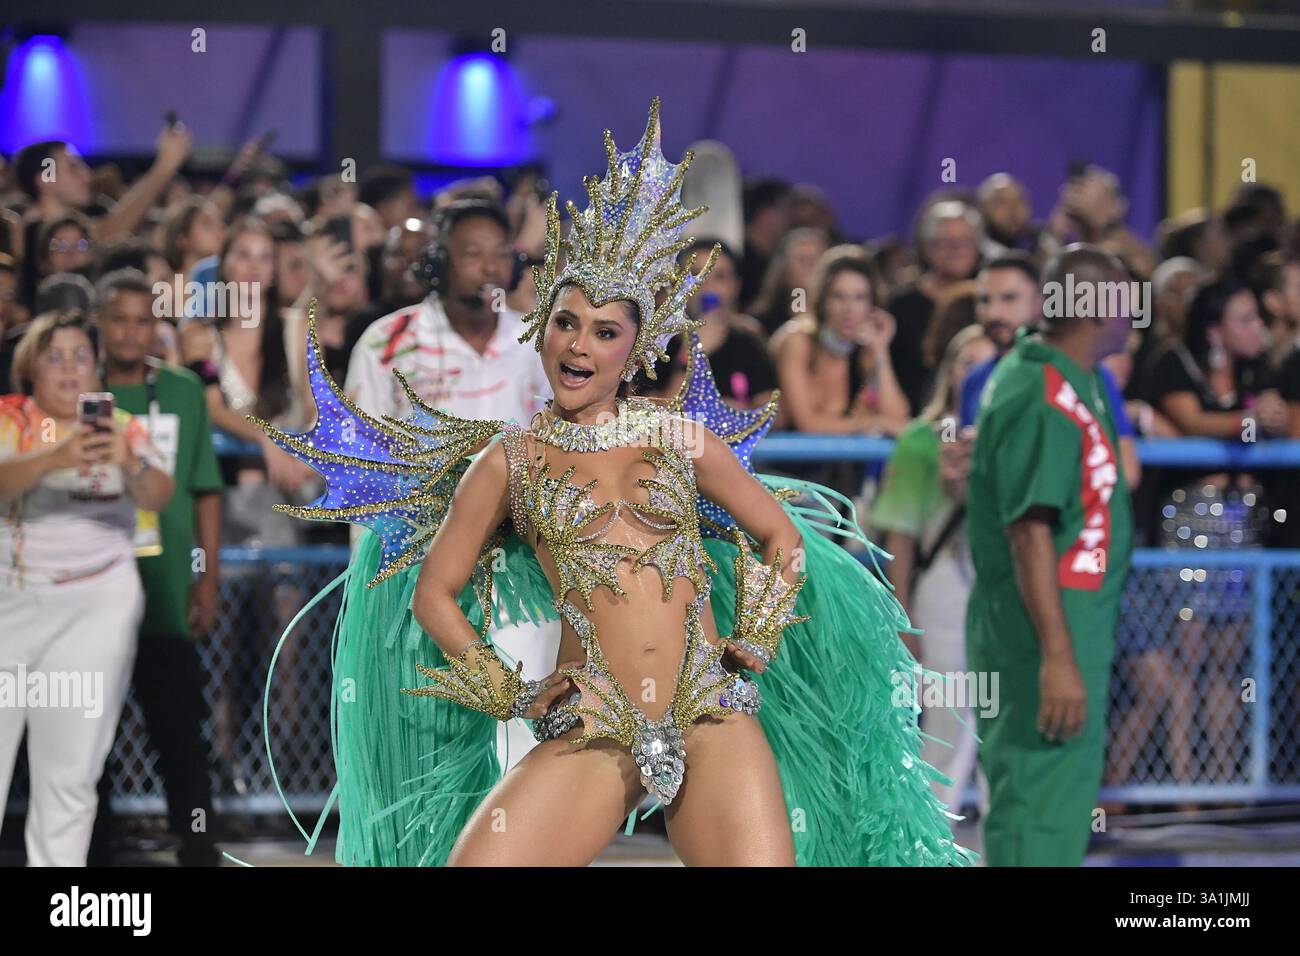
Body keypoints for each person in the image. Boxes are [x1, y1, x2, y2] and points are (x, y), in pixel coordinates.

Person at [256, 99, 974, 867]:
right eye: (566, 323)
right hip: (597, 724)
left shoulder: (678, 437)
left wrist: (756, 640)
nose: (580, 347)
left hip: (708, 710)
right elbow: (436, 591)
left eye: (606, 332)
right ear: (541, 329)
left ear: (634, 349)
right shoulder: (509, 459)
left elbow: (781, 536)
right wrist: (515, 695)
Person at [964, 244, 1135, 866]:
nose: (1133, 311)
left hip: (1068, 628)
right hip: (1041, 637)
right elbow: (1029, 531)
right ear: (1097, 306)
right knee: (1036, 807)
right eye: (1124, 296)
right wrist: (1059, 658)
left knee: (1056, 806)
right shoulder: (1040, 390)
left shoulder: (1075, 380)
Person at [0, 311, 173, 866]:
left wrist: (128, 460)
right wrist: (55, 456)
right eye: (55, 357)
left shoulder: (123, 425)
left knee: (70, 775)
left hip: (96, 607)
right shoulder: (9, 417)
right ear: (31, 368)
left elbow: (159, 495)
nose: (70, 368)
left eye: (80, 356)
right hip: (10, 604)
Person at [86, 269, 225, 866]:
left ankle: (197, 851)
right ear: (99, 324)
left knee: (181, 739)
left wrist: (208, 577)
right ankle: (90, 860)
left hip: (166, 596)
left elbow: (204, 490)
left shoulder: (183, 391)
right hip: (86, 601)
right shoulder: (74, 391)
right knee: (90, 742)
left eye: (143, 319)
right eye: (118, 319)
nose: (130, 331)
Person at [874, 323, 995, 822]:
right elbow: (900, 536)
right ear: (949, 371)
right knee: (948, 716)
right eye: (967, 361)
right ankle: (930, 831)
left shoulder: (1011, 435)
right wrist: (903, 616)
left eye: (987, 363)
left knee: (998, 712)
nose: (976, 373)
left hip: (997, 586)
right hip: (942, 587)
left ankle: (1002, 836)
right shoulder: (921, 441)